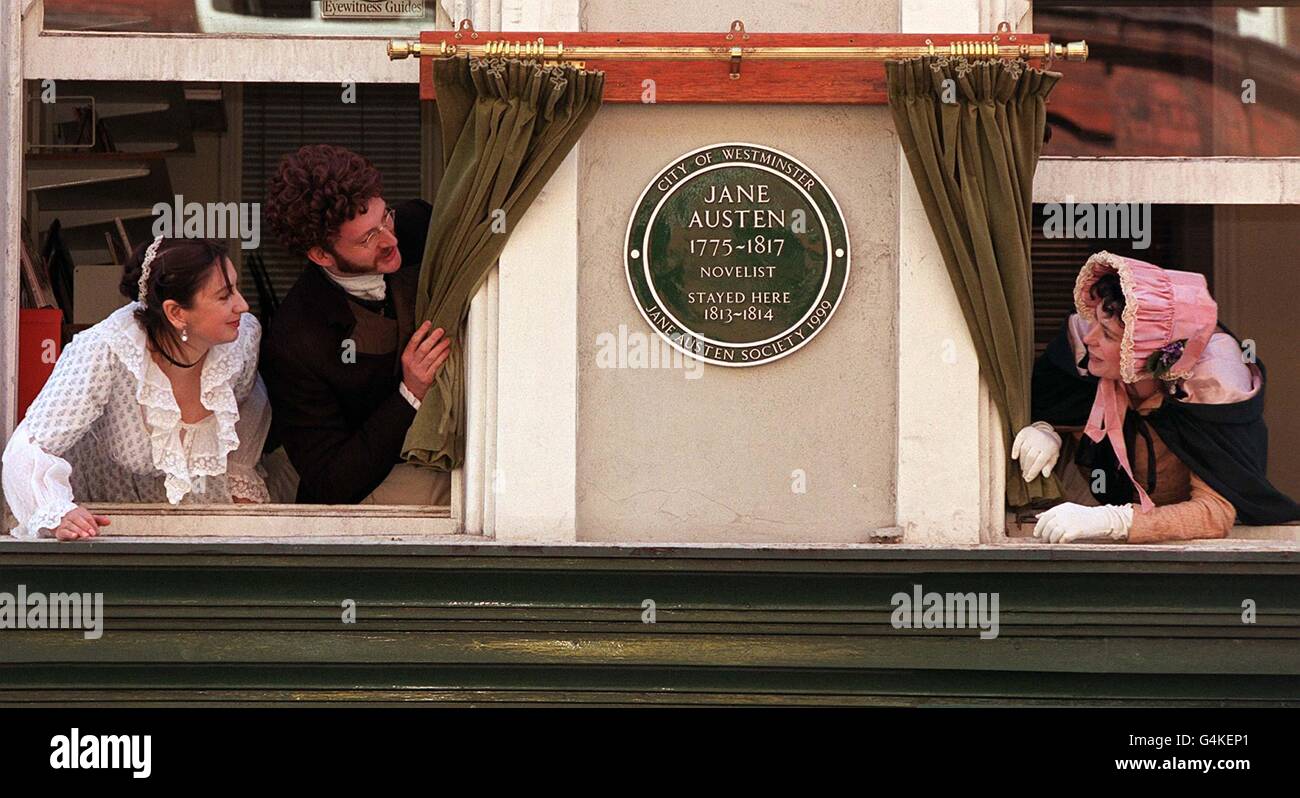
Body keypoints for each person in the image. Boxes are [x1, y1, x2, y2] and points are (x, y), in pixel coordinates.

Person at [1014, 251, 1300, 544]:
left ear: (1144, 350)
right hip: (1084, 535)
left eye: (1109, 335)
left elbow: (1214, 513)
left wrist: (1115, 521)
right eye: (1095, 324)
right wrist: (1044, 427)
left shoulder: (1208, 386)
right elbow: (1062, 407)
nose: (1090, 339)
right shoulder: (1084, 363)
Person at [2, 236, 274, 540]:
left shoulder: (242, 338)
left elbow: (248, 407)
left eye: (236, 288)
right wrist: (55, 510)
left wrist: (243, 503)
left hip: (200, 517)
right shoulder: (104, 350)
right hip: (110, 522)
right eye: (225, 296)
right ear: (176, 313)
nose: (243, 304)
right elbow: (30, 445)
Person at [261, 144, 452, 505]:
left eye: (385, 217)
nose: (390, 239)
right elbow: (332, 480)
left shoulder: (419, 225)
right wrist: (409, 393)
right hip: (372, 484)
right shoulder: (294, 341)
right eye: (367, 238)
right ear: (321, 254)